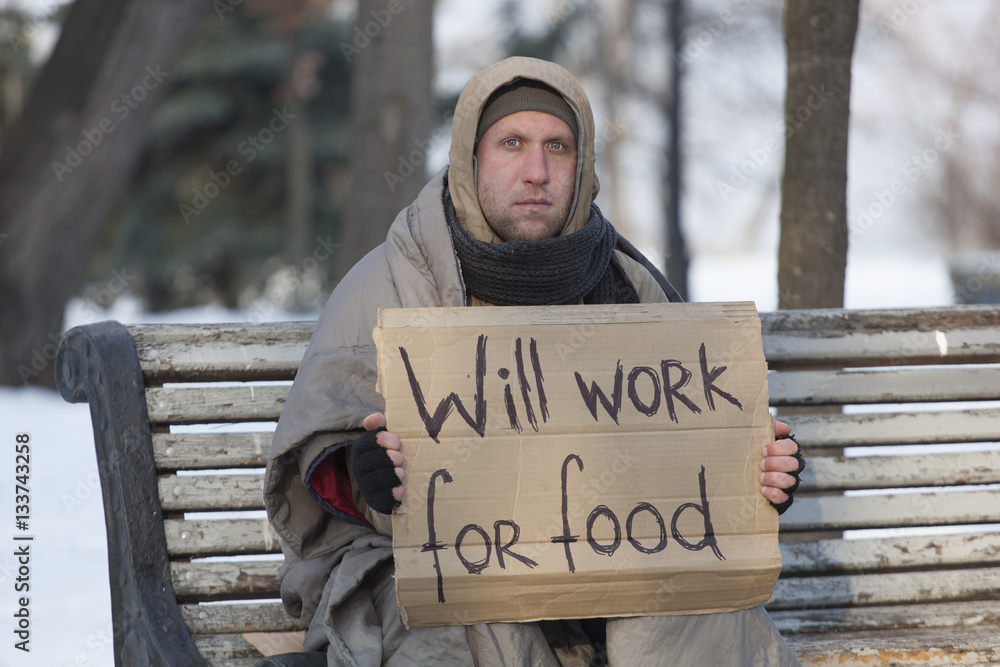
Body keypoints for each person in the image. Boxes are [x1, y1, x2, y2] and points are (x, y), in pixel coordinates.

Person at [261, 56, 805, 666]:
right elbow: (319, 461)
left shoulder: (627, 284)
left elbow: (695, 450)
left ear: (583, 164)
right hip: (430, 567)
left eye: (558, 147)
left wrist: (755, 478)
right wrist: (367, 479)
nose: (537, 171)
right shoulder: (390, 283)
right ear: (472, 159)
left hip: (609, 573)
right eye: (512, 144)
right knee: (448, 626)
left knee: (694, 610)